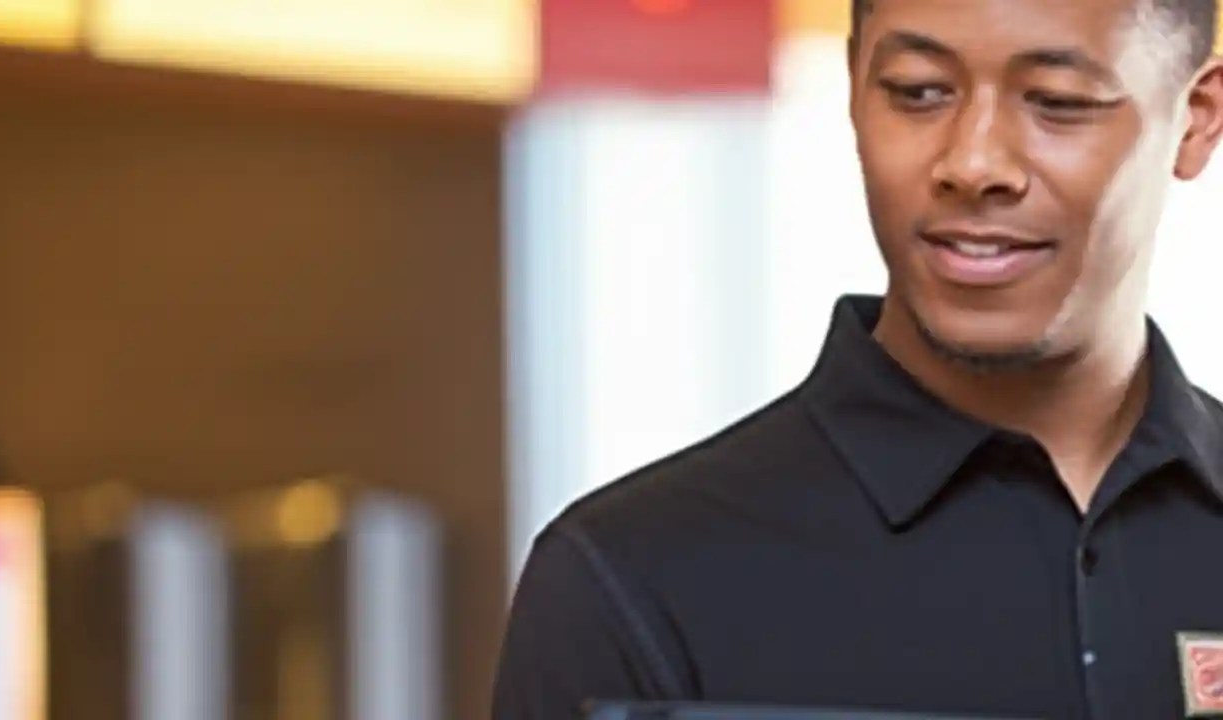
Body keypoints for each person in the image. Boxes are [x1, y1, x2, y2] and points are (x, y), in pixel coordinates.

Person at [493, 0, 1223, 718]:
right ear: (853, 90)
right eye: (918, 92)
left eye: (1057, 103)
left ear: (1196, 117)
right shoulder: (629, 581)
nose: (972, 165)